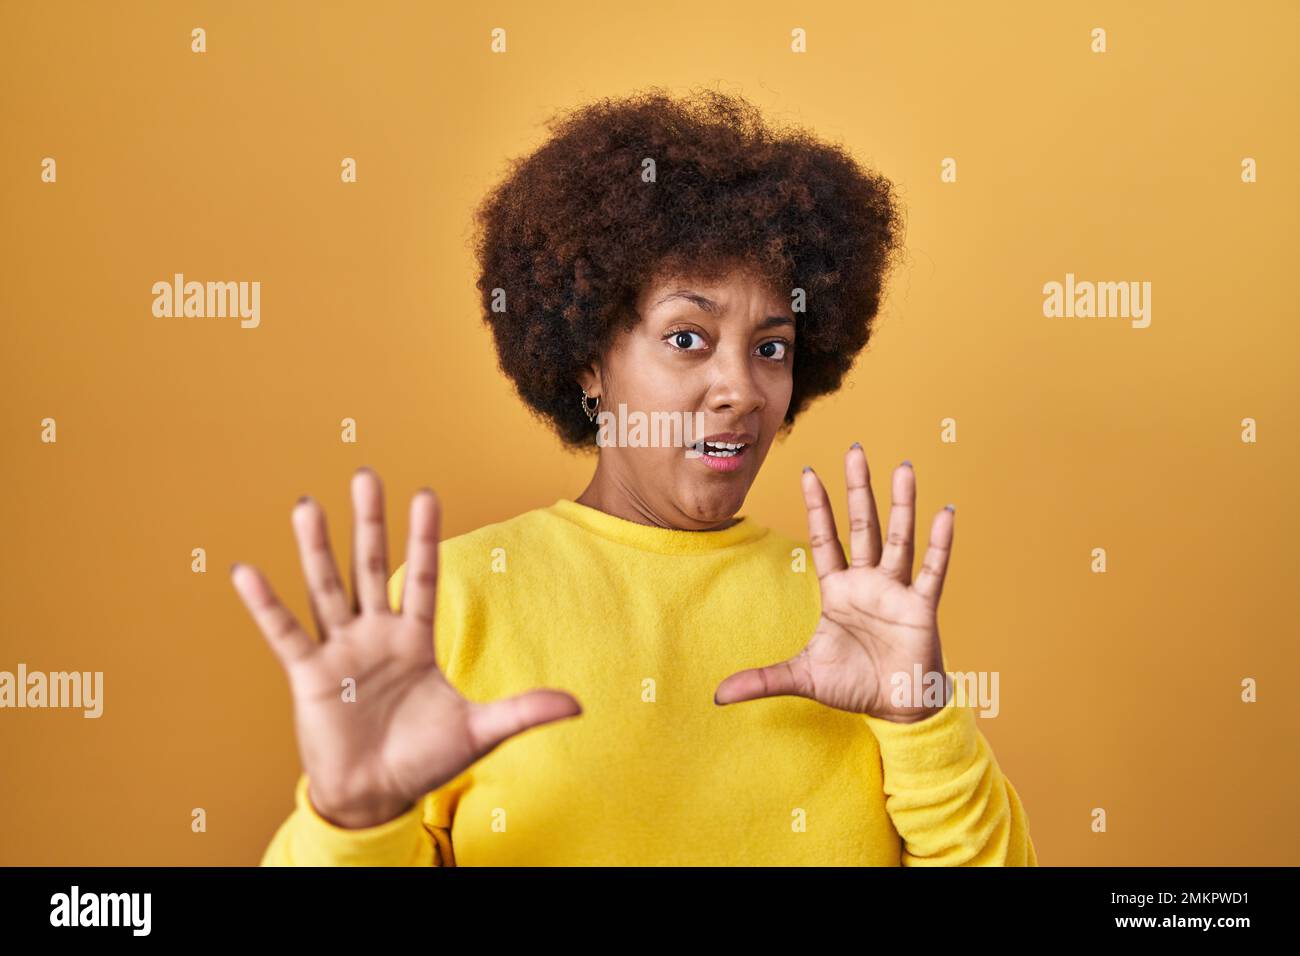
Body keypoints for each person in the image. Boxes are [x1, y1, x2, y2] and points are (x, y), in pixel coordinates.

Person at [235, 88, 1037, 866]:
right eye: (688, 338)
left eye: (771, 347)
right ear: (589, 360)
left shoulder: (853, 617)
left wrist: (923, 719)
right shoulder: (453, 604)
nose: (741, 389)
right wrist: (350, 819)